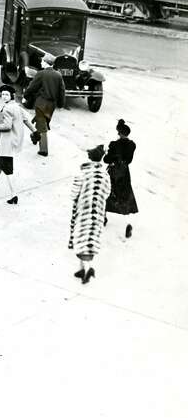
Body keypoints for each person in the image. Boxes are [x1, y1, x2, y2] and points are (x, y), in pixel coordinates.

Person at [69, 144, 112, 284]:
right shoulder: (105, 175)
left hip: (83, 211)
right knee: (90, 240)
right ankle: (81, 269)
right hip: (98, 212)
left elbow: (74, 193)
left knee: (81, 239)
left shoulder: (82, 173)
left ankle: (87, 269)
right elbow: (107, 193)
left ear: (89, 157)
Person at [0, 84, 38, 204]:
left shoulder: (7, 109)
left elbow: (7, 126)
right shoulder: (17, 106)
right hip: (14, 140)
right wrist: (35, 131)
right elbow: (26, 120)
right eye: (3, 94)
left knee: (8, 169)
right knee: (0, 163)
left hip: (7, 142)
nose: (4, 96)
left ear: (11, 96)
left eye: (7, 94)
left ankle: (14, 195)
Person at [24, 56, 66, 157]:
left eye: (42, 61)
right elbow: (62, 91)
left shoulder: (41, 74)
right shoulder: (58, 75)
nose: (41, 62)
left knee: (42, 126)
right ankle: (35, 136)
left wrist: (25, 97)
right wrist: (61, 104)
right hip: (51, 106)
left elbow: (32, 87)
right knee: (42, 123)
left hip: (41, 103)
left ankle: (43, 150)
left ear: (46, 62)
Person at [104, 119, 138, 238]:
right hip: (124, 172)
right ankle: (126, 214)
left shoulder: (114, 145)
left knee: (108, 192)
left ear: (120, 133)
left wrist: (109, 156)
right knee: (124, 193)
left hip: (114, 171)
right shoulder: (132, 145)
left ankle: (103, 217)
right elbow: (129, 160)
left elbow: (106, 159)